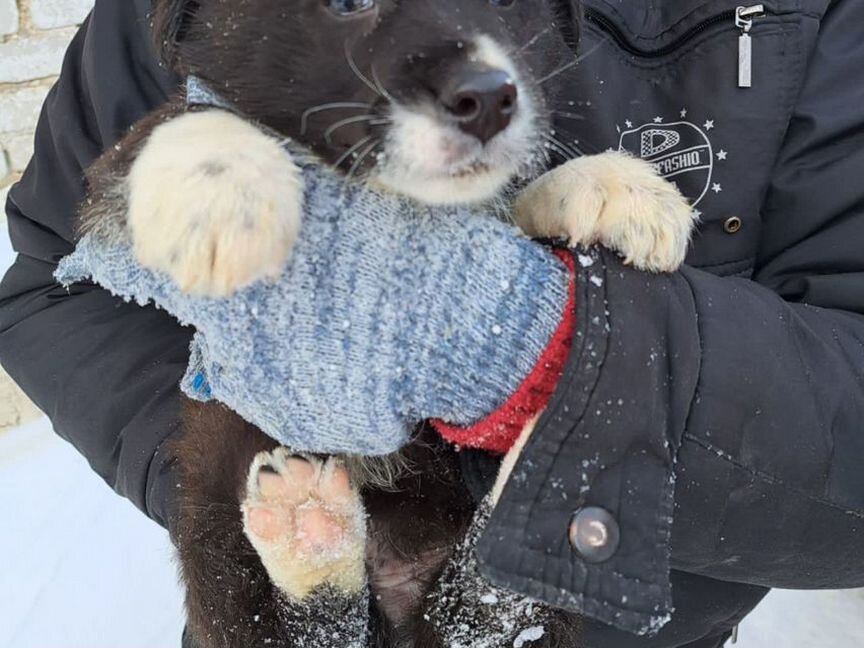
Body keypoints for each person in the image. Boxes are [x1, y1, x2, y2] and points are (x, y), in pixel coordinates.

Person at [1, 1, 863, 647]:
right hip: (276, 551)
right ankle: (316, 584)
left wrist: (548, 339)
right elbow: (64, 270)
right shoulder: (203, 86)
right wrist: (224, 468)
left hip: (588, 606)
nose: (481, 68)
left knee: (498, 609)